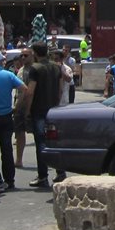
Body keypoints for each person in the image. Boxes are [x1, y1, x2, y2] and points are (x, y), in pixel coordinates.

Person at [24, 42, 66, 188]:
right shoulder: (56, 67)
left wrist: (27, 110)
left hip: (39, 110)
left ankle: (43, 176)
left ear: (35, 53)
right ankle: (60, 172)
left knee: (41, 142)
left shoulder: (35, 69)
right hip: (53, 109)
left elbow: (30, 92)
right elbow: (60, 89)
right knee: (54, 142)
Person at [0, 49, 26, 191]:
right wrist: (17, 106)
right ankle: (10, 180)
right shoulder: (8, 75)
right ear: (1, 61)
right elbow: (25, 89)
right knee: (6, 149)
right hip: (6, 115)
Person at [12, 48, 34, 168]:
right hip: (20, 106)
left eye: (26, 55)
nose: (23, 58)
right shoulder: (21, 69)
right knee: (19, 133)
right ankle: (19, 159)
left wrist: (19, 105)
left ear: (32, 56)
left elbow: (26, 91)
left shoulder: (34, 69)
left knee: (38, 134)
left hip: (29, 106)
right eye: (22, 56)